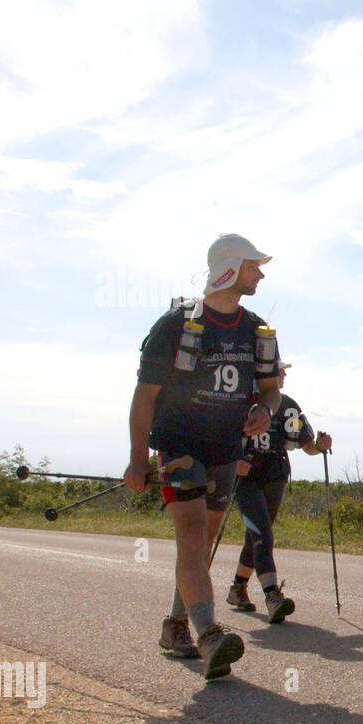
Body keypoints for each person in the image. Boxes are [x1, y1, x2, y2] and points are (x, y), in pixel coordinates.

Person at [124, 233, 282, 680]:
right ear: (230, 268)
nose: (261, 274)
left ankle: (175, 626)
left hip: (226, 451)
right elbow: (144, 396)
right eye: (254, 266)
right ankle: (209, 634)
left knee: (205, 542)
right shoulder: (176, 325)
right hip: (178, 446)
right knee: (192, 537)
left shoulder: (257, 330)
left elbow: (271, 390)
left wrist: (262, 411)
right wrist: (138, 458)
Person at [226, 363, 333, 623]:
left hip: (274, 474)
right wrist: (231, 462)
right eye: (279, 371)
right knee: (262, 532)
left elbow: (305, 443)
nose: (284, 375)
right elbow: (220, 438)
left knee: (257, 535)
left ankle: (237, 589)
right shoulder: (239, 403)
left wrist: (319, 447)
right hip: (245, 476)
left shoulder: (287, 406)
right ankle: (272, 595)